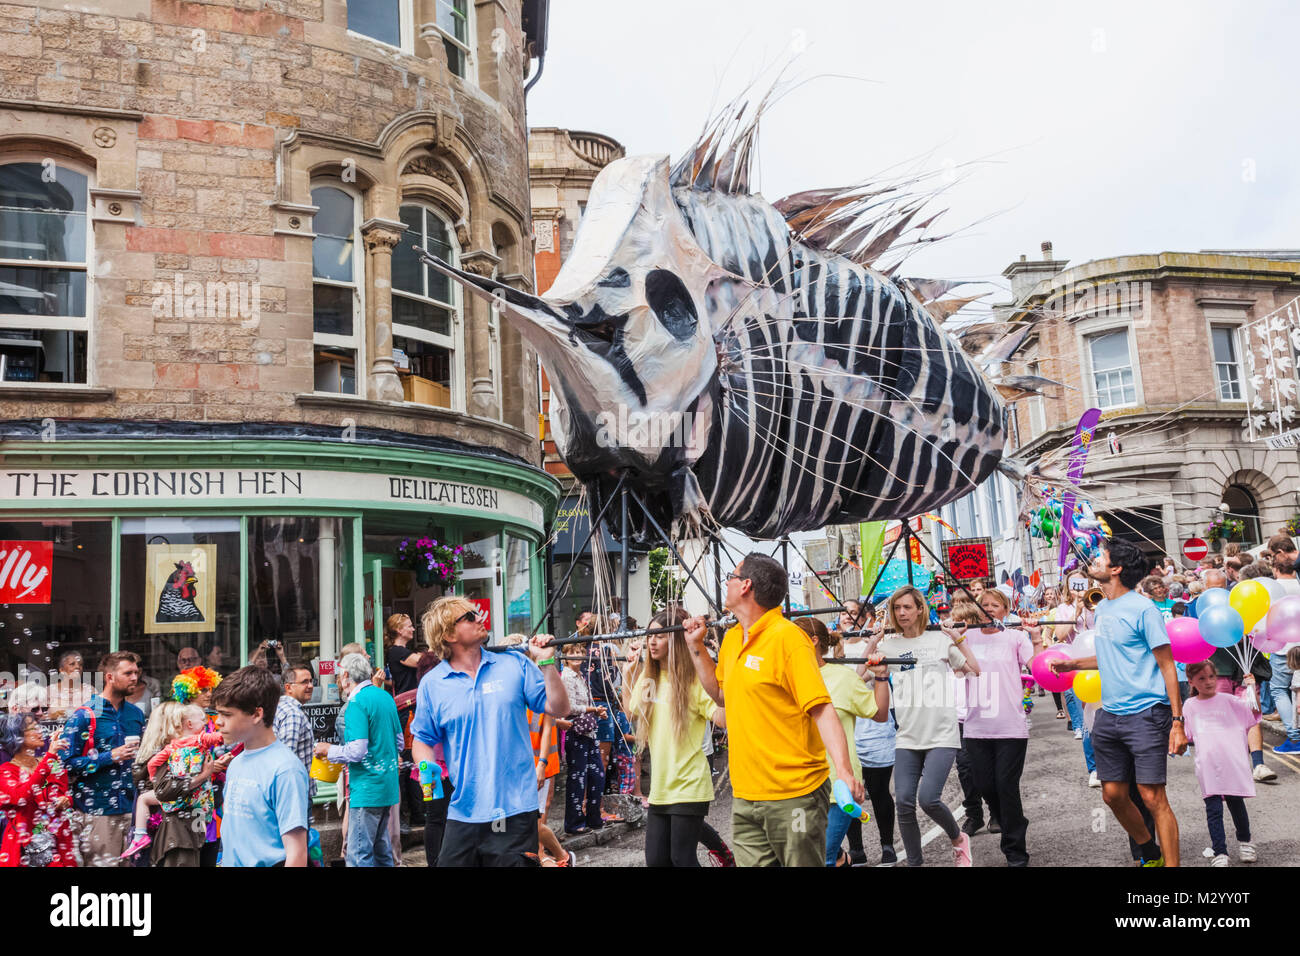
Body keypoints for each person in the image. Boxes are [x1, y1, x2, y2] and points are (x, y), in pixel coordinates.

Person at [683, 553, 866, 868]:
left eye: (732, 575)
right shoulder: (731, 639)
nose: (726, 581)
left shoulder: (787, 639)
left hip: (795, 793)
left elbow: (822, 710)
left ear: (746, 586)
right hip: (746, 793)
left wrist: (846, 772)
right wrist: (696, 649)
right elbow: (722, 695)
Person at [1051, 538, 1186, 867]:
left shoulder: (1144, 609)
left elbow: (1167, 665)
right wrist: (1073, 664)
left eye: (1101, 557)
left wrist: (1177, 722)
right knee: (1112, 794)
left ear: (1116, 569)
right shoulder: (1104, 608)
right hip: (1110, 715)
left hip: (1146, 715)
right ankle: (1149, 849)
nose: (1094, 561)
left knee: (1153, 797)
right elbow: (1110, 655)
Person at [410, 596, 570, 867]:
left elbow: (559, 708)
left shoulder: (513, 664)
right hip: (464, 811)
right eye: (470, 617)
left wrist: (546, 664)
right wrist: (426, 767)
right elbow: (423, 738)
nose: (480, 617)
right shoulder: (433, 684)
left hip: (514, 810)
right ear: (448, 634)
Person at [874, 586, 980, 867]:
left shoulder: (938, 640)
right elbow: (862, 673)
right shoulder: (889, 646)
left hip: (942, 734)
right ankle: (914, 863)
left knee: (928, 799)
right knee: (904, 803)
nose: (902, 613)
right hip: (907, 736)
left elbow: (973, 668)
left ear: (920, 609)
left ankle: (958, 838)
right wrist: (872, 644)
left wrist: (958, 639)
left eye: (907, 607)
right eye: (897, 609)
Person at [624, 607, 725, 867]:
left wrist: (729, 680)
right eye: (649, 636)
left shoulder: (694, 681)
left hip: (689, 784)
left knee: (682, 858)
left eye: (660, 636)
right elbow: (631, 711)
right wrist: (628, 674)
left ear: (676, 639)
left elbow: (723, 718)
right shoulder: (650, 681)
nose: (652, 641)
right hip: (660, 788)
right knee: (657, 861)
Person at [795, 617, 890, 867]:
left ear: (813, 641)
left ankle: (835, 858)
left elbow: (879, 714)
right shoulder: (783, 679)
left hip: (838, 784)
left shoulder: (842, 678)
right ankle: (842, 860)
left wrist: (880, 678)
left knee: (821, 857)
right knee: (800, 854)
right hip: (797, 786)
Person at [957, 593, 1034, 866]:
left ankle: (1015, 850)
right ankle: (1005, 816)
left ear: (1005, 610)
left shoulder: (1015, 637)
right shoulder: (966, 638)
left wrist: (1035, 637)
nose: (989, 609)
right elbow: (955, 669)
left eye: (995, 605)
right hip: (976, 725)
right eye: (984, 605)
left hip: (1010, 725)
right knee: (984, 784)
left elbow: (1035, 665)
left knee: (1006, 785)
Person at [212, 666, 310, 867]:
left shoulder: (286, 769)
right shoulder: (236, 762)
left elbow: (297, 855)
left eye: (226, 715)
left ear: (257, 714)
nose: (218, 722)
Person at [314, 652, 402, 867]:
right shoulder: (384, 697)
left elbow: (356, 751)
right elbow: (399, 743)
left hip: (367, 789)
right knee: (382, 851)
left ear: (345, 675)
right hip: (388, 785)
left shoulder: (356, 703)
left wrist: (328, 749)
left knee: (358, 854)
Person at [59, 651, 145, 867]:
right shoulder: (84, 714)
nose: (135, 677)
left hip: (131, 810)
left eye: (136, 672)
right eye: (128, 673)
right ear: (109, 677)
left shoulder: (135, 713)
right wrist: (109, 757)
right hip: (98, 811)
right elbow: (65, 764)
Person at [1182, 660, 1259, 866]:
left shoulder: (1230, 700)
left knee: (1236, 803)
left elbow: (1253, 714)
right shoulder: (1189, 705)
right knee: (1213, 809)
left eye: (1211, 677)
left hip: (1231, 762)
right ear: (1191, 682)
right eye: (1201, 679)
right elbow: (1188, 734)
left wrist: (1251, 688)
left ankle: (1246, 841)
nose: (1208, 682)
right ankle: (1220, 852)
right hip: (1208, 765)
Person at [129, 702, 223, 867]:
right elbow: (165, 792)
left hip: (182, 832)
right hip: (176, 836)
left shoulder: (178, 753)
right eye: (180, 720)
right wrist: (203, 776)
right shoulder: (171, 755)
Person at [0, 713, 75, 867]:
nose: (41, 731)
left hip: (57, 842)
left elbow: (63, 792)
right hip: (26, 849)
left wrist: (66, 800)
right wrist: (50, 757)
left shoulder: (50, 762)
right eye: (34, 728)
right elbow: (21, 796)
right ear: (16, 737)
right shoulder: (5, 771)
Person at [561, 646, 609, 834]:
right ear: (565, 657)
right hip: (575, 731)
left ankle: (593, 817)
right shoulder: (566, 677)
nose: (576, 656)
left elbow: (584, 704)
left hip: (588, 731)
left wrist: (597, 712)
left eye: (579, 652)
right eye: (571, 653)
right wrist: (593, 710)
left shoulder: (581, 676)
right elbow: (568, 707)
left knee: (596, 775)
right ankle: (574, 823)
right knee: (578, 777)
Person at [272, 664, 316, 803]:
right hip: (295, 794)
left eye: (311, 681)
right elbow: (287, 756)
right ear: (288, 687)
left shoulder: (280, 707)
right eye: (304, 682)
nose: (310, 686)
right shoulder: (292, 713)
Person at [48, 651, 93, 721]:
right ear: (62, 670)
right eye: (72, 664)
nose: (78, 667)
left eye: (80, 664)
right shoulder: (49, 691)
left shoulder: (90, 690)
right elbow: (39, 717)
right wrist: (52, 715)